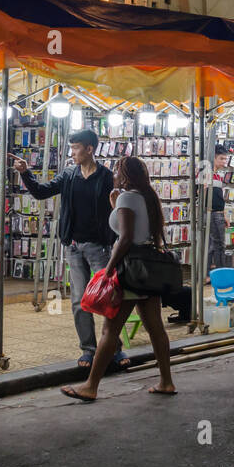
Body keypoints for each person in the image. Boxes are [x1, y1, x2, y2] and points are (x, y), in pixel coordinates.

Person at [61, 157, 176, 401]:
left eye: (116, 170)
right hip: (147, 269)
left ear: (124, 175)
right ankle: (166, 381)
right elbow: (143, 232)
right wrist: (116, 207)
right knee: (155, 328)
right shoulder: (148, 197)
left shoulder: (127, 197)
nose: (113, 173)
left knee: (109, 330)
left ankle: (90, 386)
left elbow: (125, 238)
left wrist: (108, 270)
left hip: (130, 269)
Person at [13, 128, 125, 372]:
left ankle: (114, 347)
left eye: (76, 148)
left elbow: (118, 208)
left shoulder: (106, 177)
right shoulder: (69, 174)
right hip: (73, 246)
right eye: (71, 148)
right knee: (78, 300)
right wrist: (25, 174)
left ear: (89, 149)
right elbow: (41, 192)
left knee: (107, 297)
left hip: (99, 247)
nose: (72, 153)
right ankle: (89, 348)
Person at [206, 144, 228, 282]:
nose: (224, 162)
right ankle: (221, 276)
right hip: (212, 213)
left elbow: (220, 198)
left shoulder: (218, 177)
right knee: (219, 245)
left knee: (214, 245)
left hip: (217, 213)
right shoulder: (206, 173)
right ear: (213, 158)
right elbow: (199, 193)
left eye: (225, 159)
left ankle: (210, 274)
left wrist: (224, 214)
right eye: (221, 158)